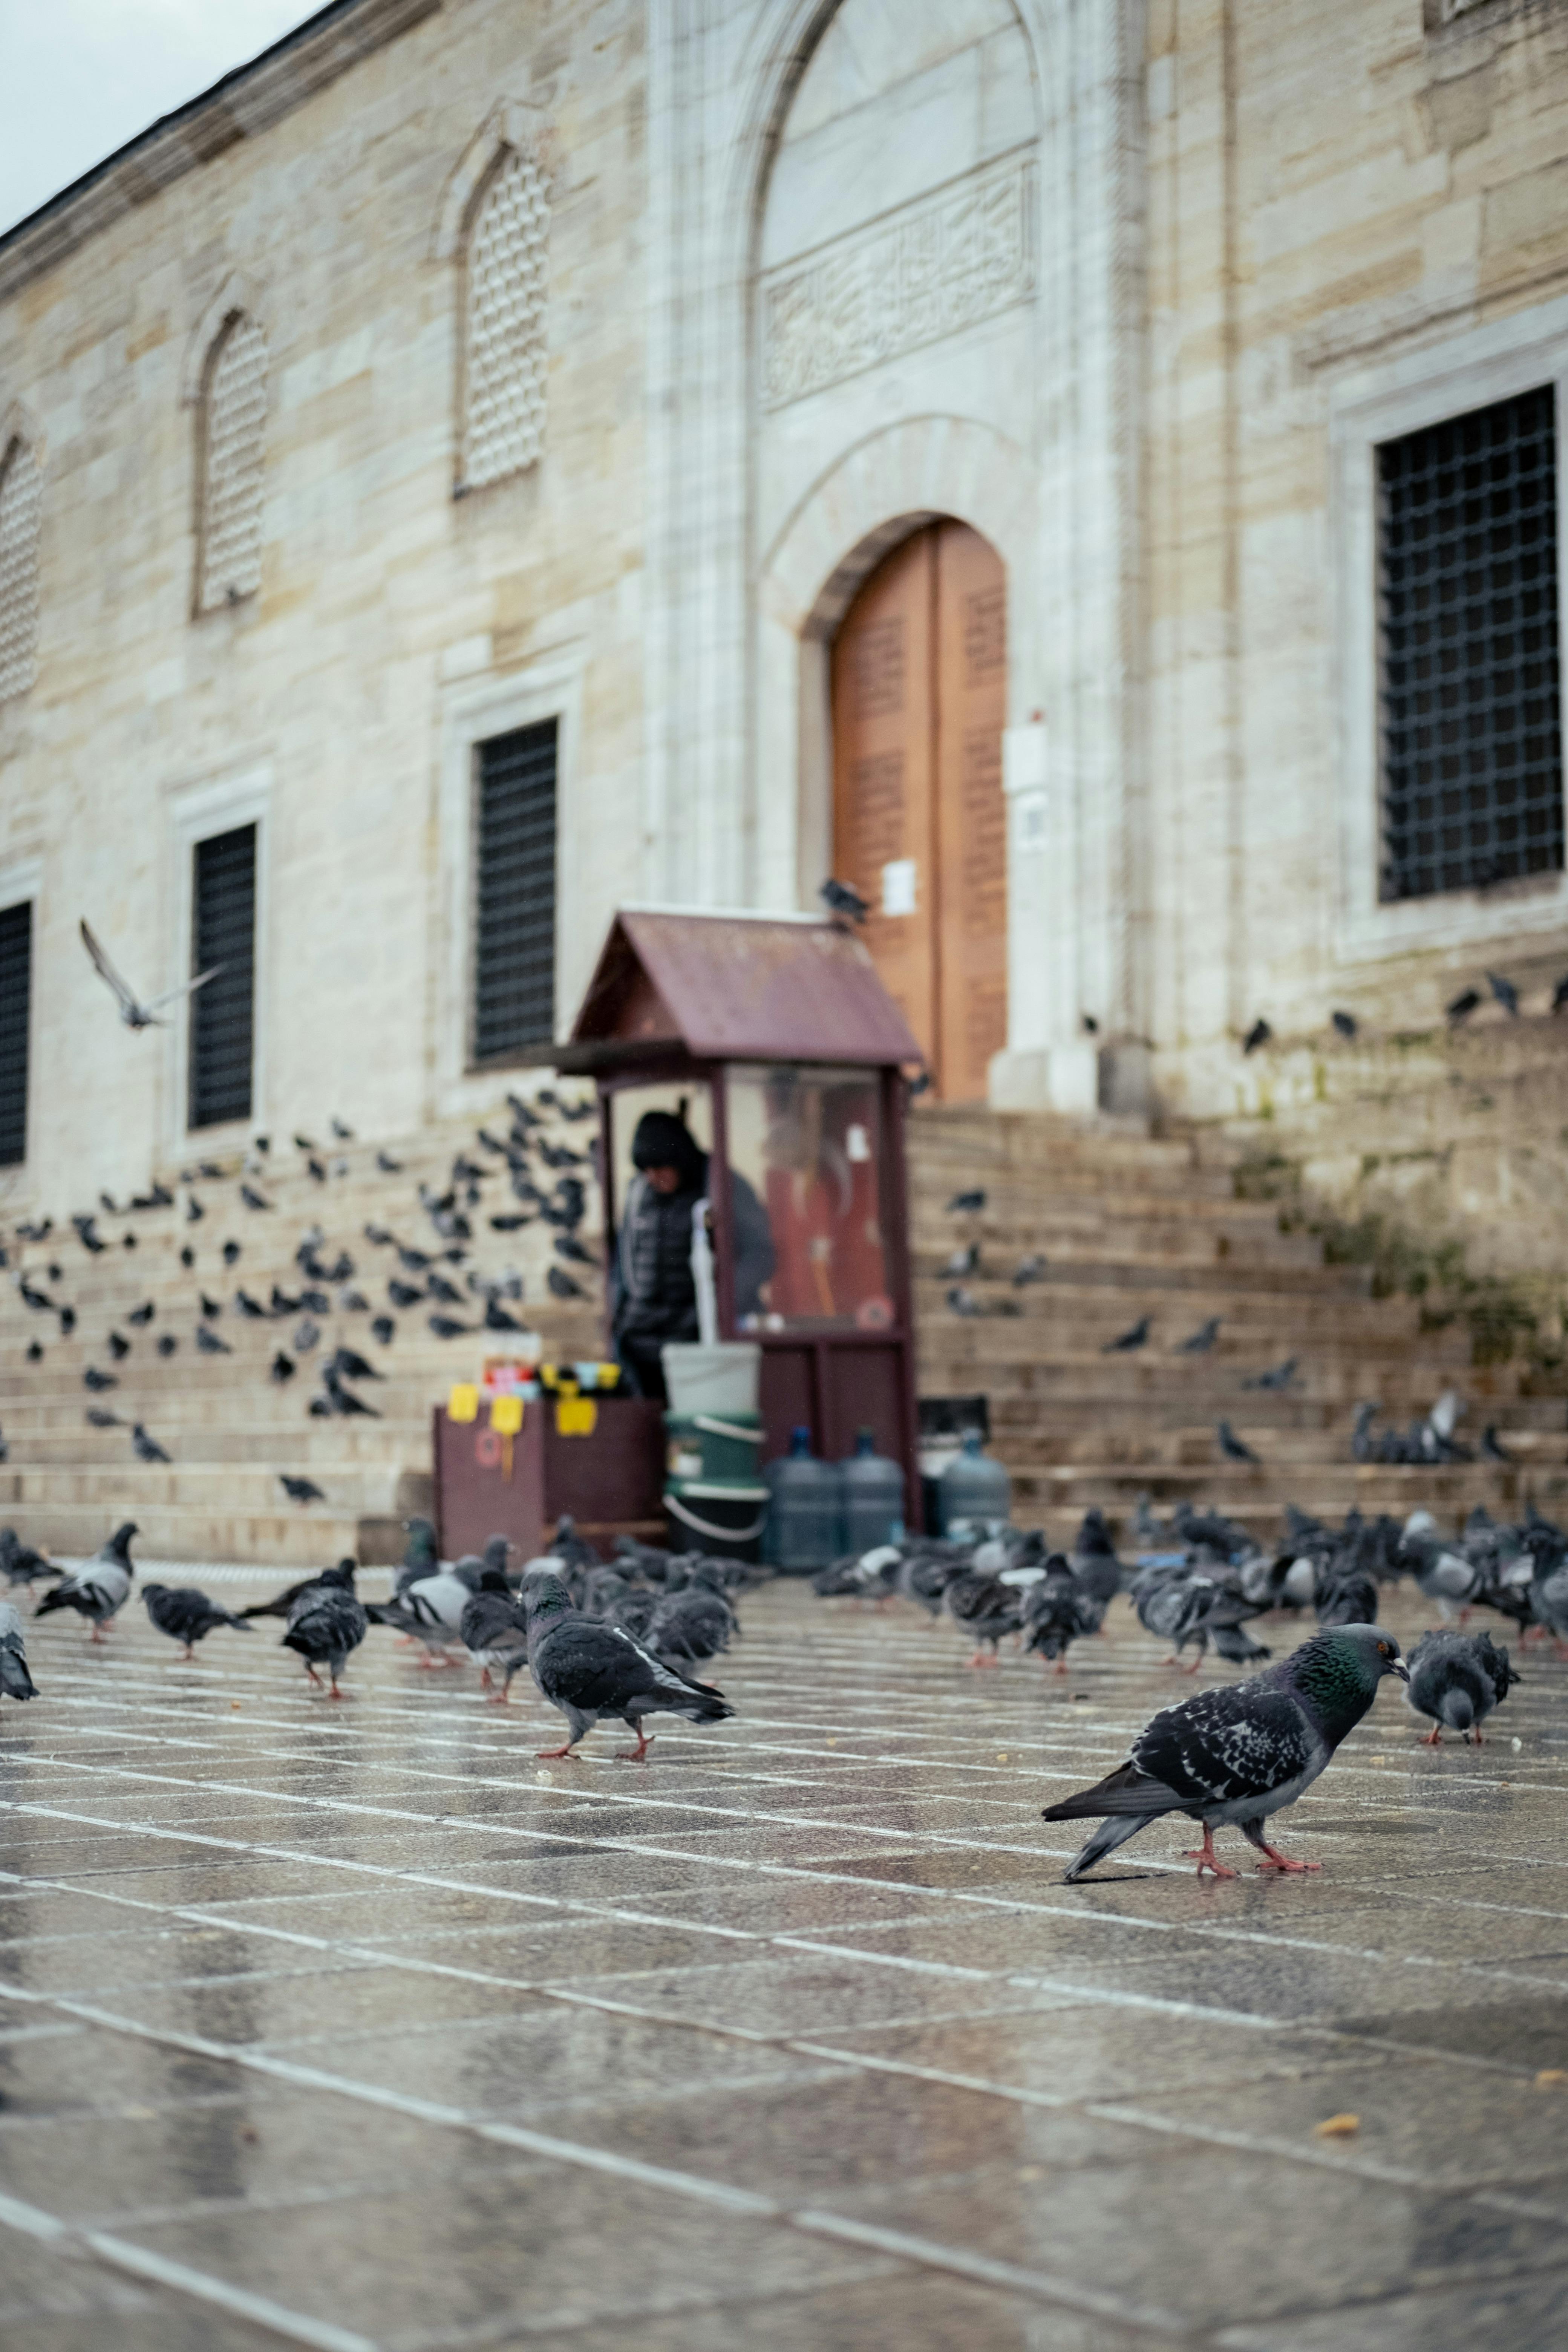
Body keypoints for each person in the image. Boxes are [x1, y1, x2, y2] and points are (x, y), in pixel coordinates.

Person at [610, 1110, 774, 1402]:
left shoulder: (721, 1186)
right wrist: (619, 1317)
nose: (653, 1178)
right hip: (641, 1343)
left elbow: (761, 1252)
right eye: (646, 1170)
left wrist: (722, 1303)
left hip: (700, 1338)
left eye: (661, 1168)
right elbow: (624, 1261)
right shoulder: (638, 1196)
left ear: (680, 1161)